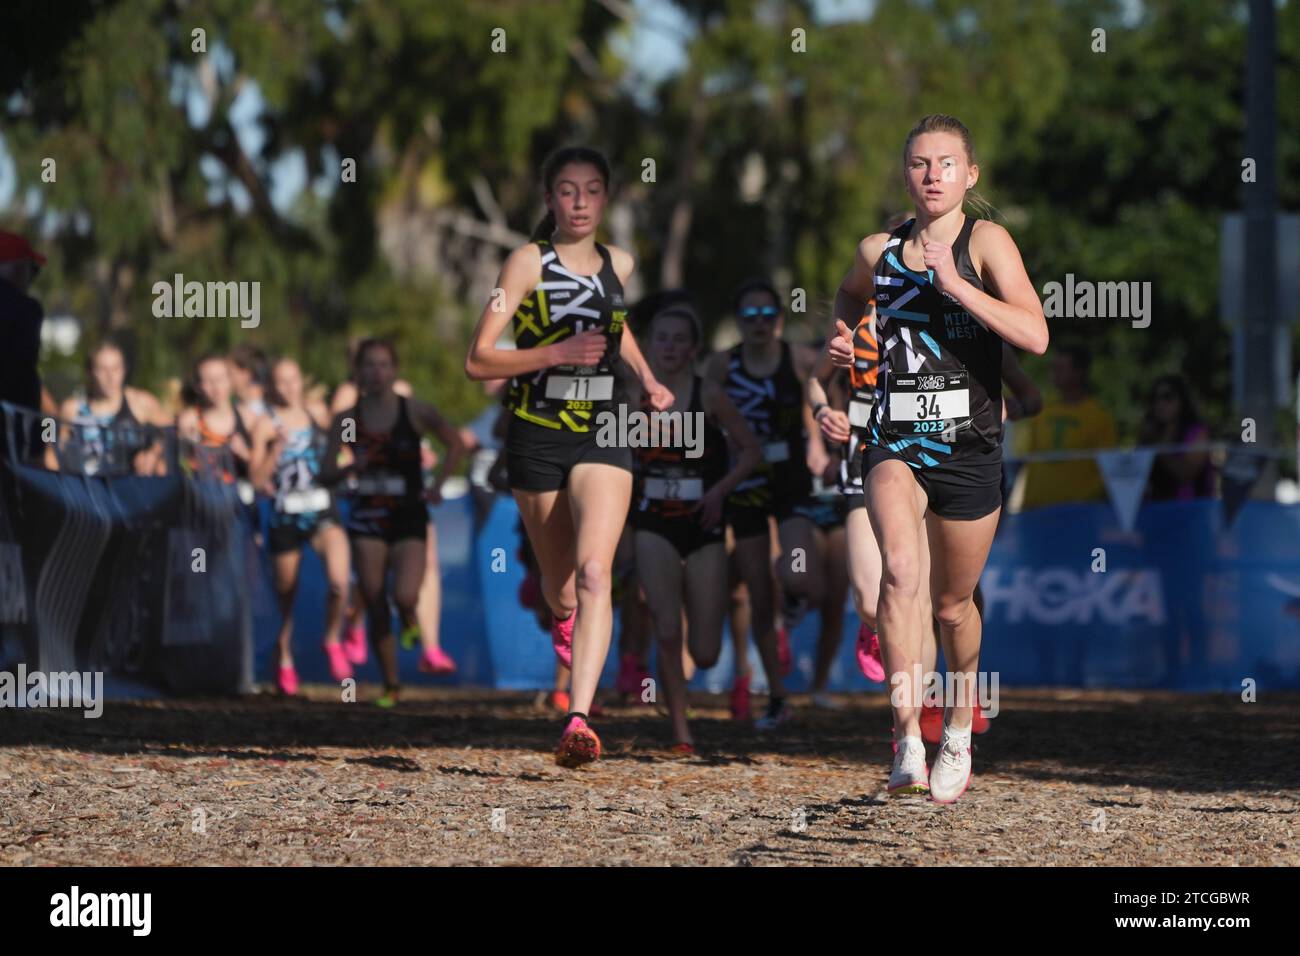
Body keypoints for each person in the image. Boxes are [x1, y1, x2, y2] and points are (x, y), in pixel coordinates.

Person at [828, 114, 1048, 803]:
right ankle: (905, 737)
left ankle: (958, 727)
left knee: (953, 606)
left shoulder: (987, 242)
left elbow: (1034, 334)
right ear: (906, 174)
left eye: (946, 163)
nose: (932, 175)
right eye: (920, 163)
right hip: (895, 438)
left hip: (971, 447)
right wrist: (843, 336)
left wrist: (956, 285)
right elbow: (847, 296)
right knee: (899, 576)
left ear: (969, 175)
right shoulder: (878, 250)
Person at [465, 146, 672, 767]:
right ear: (549, 199)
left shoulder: (620, 263)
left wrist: (647, 378)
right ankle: (561, 615)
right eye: (566, 191)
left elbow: (616, 330)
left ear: (606, 198)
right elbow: (479, 360)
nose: (579, 203)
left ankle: (578, 718)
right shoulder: (527, 262)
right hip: (536, 431)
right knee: (562, 591)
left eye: (591, 191)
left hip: (604, 427)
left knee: (595, 573)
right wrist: (553, 354)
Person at [629, 303, 760, 751]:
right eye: (661, 338)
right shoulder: (633, 397)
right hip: (653, 523)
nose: (669, 347)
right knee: (667, 631)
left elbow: (750, 451)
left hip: (703, 523)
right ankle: (681, 732)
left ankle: (698, 619)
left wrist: (719, 491)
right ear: (648, 345)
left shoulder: (709, 395)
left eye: (679, 339)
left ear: (693, 348)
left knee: (704, 652)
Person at [323, 338, 465, 707]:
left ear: (394, 369)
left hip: (408, 516)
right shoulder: (349, 421)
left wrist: (436, 487)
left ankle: (411, 621)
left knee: (405, 594)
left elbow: (455, 444)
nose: (376, 372)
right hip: (367, 517)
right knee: (373, 598)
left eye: (384, 364)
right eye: (369, 365)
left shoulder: (415, 412)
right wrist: (350, 467)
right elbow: (324, 472)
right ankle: (391, 684)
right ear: (357, 373)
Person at [706, 278, 822, 730]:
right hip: (744, 482)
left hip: (790, 479)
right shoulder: (721, 365)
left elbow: (828, 394)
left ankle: (790, 598)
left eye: (768, 315)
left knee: (799, 573)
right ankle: (776, 694)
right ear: (738, 322)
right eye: (749, 316)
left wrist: (820, 438)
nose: (759, 324)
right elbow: (703, 412)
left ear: (780, 319)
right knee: (757, 593)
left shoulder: (799, 359)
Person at [249, 357, 353, 694]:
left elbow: (344, 451)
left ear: (301, 381)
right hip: (285, 515)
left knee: (339, 580)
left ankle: (333, 638)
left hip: (322, 509)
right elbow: (256, 478)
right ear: (272, 386)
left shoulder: (318, 413)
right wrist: (276, 450)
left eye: (293, 380)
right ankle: (284, 657)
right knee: (285, 594)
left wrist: (343, 459)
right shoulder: (266, 424)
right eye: (281, 381)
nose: (289, 388)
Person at [1018, 345, 1115, 509]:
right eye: (1053, 368)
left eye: (1060, 368)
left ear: (1079, 373)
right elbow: (1030, 459)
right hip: (1037, 509)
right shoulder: (1043, 411)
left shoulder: (1099, 417)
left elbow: (1109, 466)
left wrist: (1089, 498)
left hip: (1080, 511)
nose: (1054, 373)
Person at [57, 340, 166, 477]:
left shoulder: (141, 403)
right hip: (87, 490)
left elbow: (170, 433)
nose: (110, 377)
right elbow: (53, 453)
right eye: (102, 369)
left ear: (124, 370)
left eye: (116, 369)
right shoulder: (72, 409)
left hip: (130, 489)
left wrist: (153, 454)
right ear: (90, 372)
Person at [0, 232, 46, 464]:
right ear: (17, 271)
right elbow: (20, 368)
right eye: (32, 270)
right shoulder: (26, 310)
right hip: (13, 437)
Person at [1139, 373, 1213, 500]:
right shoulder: (1149, 434)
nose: (1160, 404)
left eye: (1167, 397)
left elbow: (1188, 473)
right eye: (1154, 398)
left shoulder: (1197, 433)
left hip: (1190, 510)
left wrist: (1161, 451)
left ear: (1181, 400)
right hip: (1155, 510)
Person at [229, 344, 271, 423]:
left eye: (229, 372)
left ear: (246, 373)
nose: (225, 377)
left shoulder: (266, 414)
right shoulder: (234, 407)